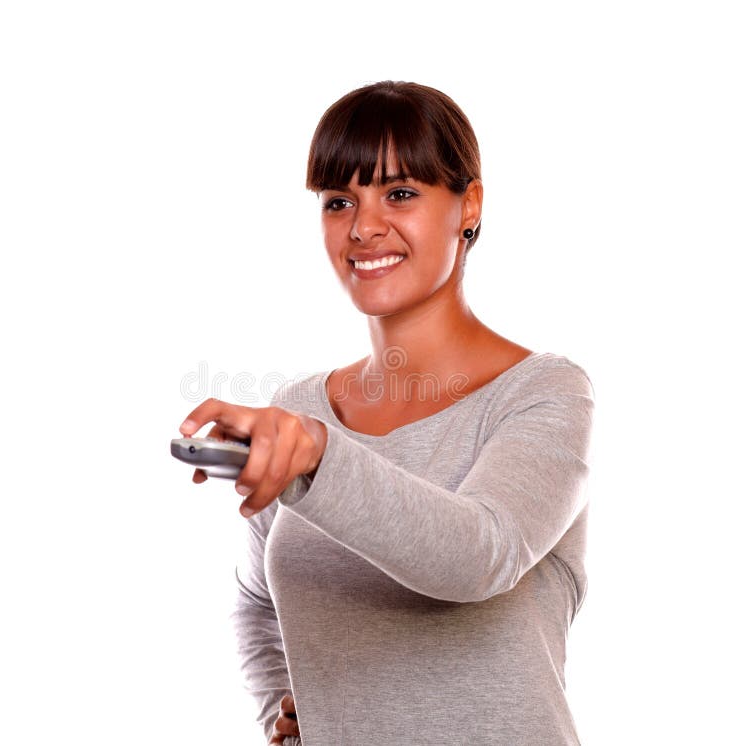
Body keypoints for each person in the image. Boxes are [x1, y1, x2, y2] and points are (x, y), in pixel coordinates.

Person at [179, 80, 595, 745]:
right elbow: (257, 602)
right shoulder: (299, 410)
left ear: (470, 205)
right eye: (339, 201)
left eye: (400, 193)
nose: (363, 228)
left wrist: (319, 456)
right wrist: (282, 712)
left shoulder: (544, 394)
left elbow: (477, 557)